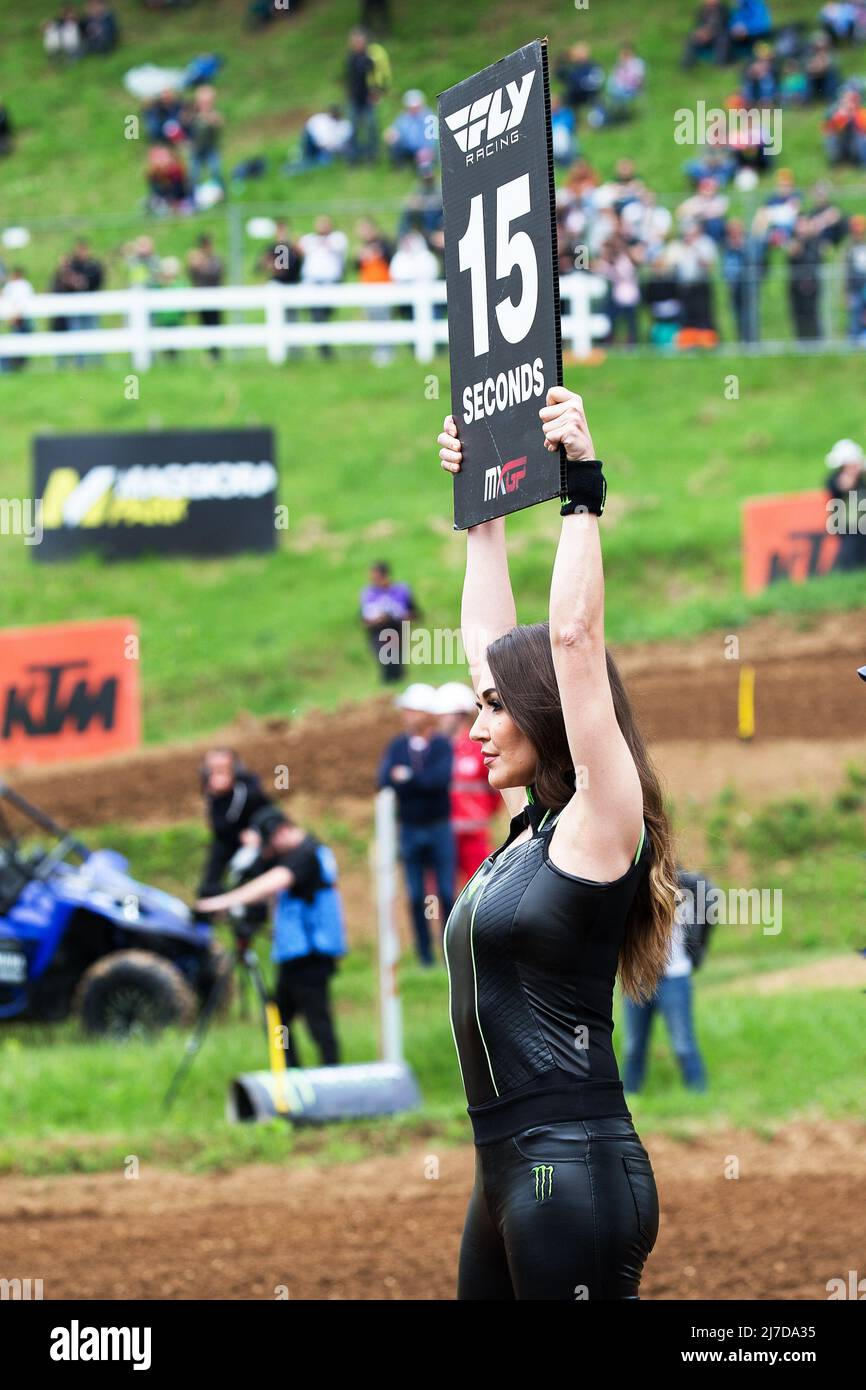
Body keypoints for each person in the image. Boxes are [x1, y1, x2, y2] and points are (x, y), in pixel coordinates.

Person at [437, 389, 676, 1299]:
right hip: (502, 1172)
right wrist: (481, 512)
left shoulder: (603, 823)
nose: (477, 726)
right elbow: (491, 645)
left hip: (570, 1171)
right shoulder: (531, 836)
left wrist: (580, 486)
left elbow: (572, 641)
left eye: (495, 708)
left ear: (546, 710)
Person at [197, 807, 344, 1067]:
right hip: (296, 954)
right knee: (278, 1019)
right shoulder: (303, 854)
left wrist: (223, 902)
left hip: (309, 954)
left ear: (282, 831)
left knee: (317, 1021)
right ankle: (293, 1077)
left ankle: (330, 1079)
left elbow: (273, 882)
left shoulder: (306, 854)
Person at [377, 684, 455, 967]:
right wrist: (418, 781)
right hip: (409, 829)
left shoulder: (441, 746)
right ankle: (425, 955)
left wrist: (408, 778)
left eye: (412, 709)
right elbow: (385, 780)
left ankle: (449, 951)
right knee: (415, 895)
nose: (407, 715)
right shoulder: (397, 746)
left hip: (438, 827)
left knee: (446, 892)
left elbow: (440, 781)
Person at [623, 868, 711, 1094]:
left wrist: (699, 950)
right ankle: (628, 1099)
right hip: (638, 979)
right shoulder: (626, 885)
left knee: (683, 1045)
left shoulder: (682, 885)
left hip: (674, 977)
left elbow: (711, 898)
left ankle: (699, 1095)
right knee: (633, 1047)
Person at [435, 683, 501, 889]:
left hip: (474, 835)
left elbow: (494, 788)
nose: (439, 720)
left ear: (460, 715)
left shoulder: (477, 748)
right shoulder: (436, 749)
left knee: (481, 887)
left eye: (444, 715)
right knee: (441, 892)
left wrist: (479, 814)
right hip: (442, 833)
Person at [196, 749, 275, 918]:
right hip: (228, 838)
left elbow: (234, 818)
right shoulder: (211, 789)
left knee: (246, 872)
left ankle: (252, 913)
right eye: (212, 770)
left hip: (252, 838)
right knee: (209, 882)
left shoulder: (246, 791)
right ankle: (210, 915)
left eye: (222, 770)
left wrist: (256, 834)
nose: (216, 775)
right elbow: (219, 826)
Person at [359, 560, 419, 681]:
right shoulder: (369, 594)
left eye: (378, 578)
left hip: (398, 629)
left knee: (397, 664)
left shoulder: (401, 591)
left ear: (386, 576)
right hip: (377, 633)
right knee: (386, 663)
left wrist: (398, 616)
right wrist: (378, 620)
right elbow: (363, 620)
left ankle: (397, 685)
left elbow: (414, 613)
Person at [298, 215, 348, 359]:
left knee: (323, 316)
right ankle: (324, 350)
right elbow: (296, 250)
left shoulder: (337, 238)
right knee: (317, 316)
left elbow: (336, 247)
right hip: (312, 283)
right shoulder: (309, 239)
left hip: (329, 283)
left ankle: (325, 350)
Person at [825, 438, 866, 571]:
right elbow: (841, 487)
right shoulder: (834, 478)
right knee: (849, 561)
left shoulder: (862, 479)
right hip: (847, 528)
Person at [187, 234, 224, 361]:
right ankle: (209, 354)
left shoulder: (215, 260)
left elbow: (216, 274)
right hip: (201, 299)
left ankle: (216, 354)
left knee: (215, 325)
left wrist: (203, 264)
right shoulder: (197, 259)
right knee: (204, 325)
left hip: (214, 299)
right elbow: (192, 277)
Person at [345, 28, 378, 164]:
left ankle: (372, 156)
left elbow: (375, 78)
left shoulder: (369, 59)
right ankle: (353, 157)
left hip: (367, 100)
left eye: (359, 41)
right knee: (352, 129)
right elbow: (349, 79)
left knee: (371, 127)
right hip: (354, 99)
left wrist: (374, 92)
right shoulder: (351, 59)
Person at [384, 89, 437, 171]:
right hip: (408, 148)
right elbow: (395, 128)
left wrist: (427, 148)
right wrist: (391, 134)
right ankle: (399, 168)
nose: (414, 109)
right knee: (394, 145)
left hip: (424, 148)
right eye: (411, 107)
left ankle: (426, 171)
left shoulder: (429, 117)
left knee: (425, 157)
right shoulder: (404, 117)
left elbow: (433, 137)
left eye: (416, 107)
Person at [681, 0, 732, 68]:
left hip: (719, 33)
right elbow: (698, 23)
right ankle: (687, 64)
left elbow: (722, 25)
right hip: (705, 32)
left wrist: (709, 32)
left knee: (723, 40)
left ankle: (719, 64)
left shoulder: (723, 9)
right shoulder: (702, 9)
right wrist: (700, 31)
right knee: (692, 38)